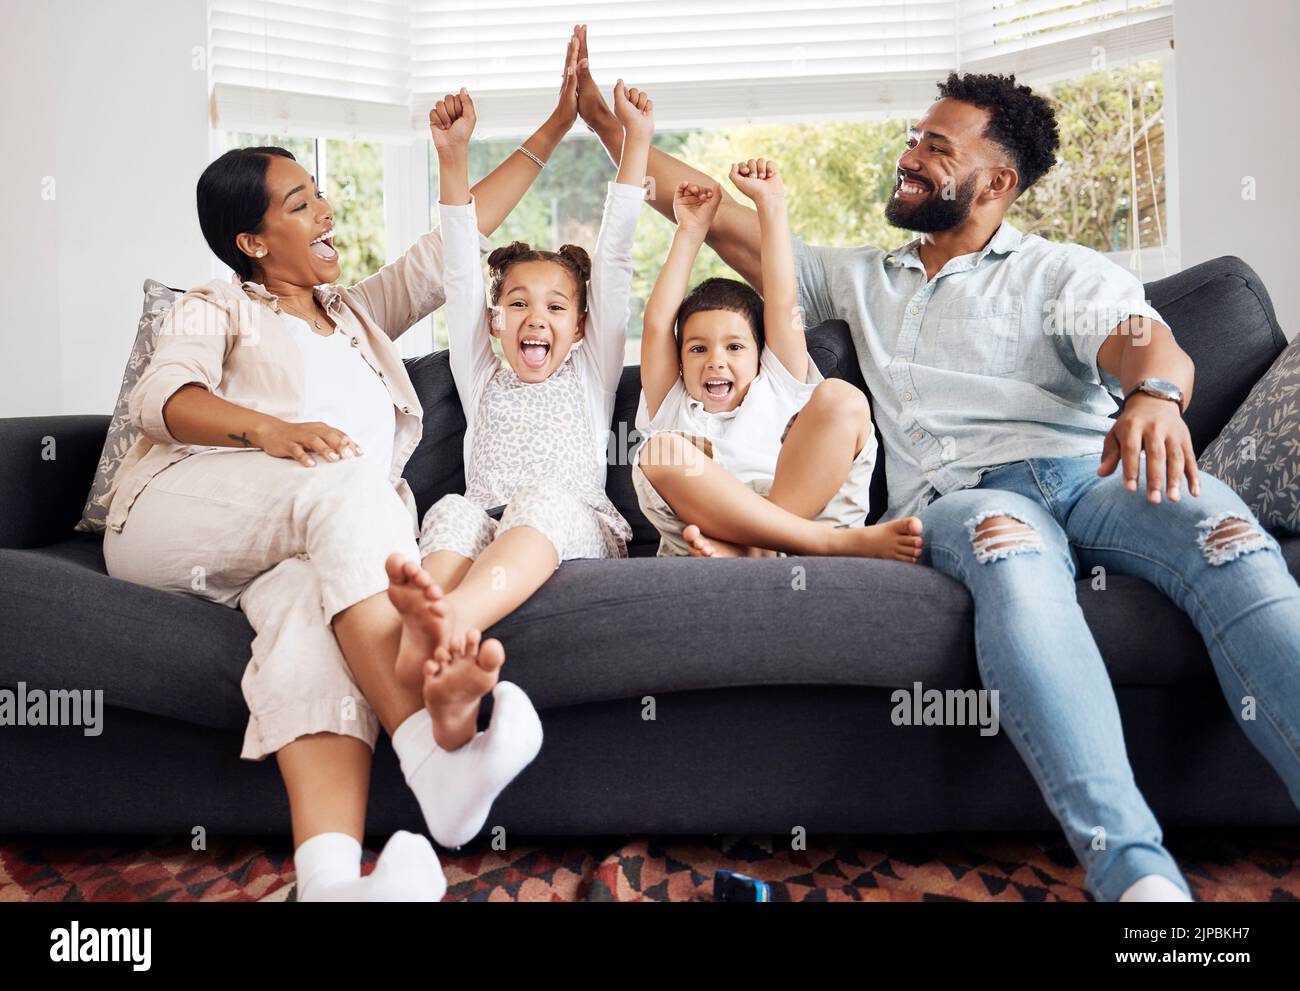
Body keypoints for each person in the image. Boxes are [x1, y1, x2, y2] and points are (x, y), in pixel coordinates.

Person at [573, 23, 1300, 902]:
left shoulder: (1057, 272)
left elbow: (1147, 343)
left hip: (1094, 475)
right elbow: (716, 215)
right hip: (970, 499)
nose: (908, 155)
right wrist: (610, 129)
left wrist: (1154, 397)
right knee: (1016, 567)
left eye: (934, 146)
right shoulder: (863, 277)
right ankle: (1137, 878)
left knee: (1230, 534)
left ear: (997, 182)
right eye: (913, 136)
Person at [101, 35, 588, 903]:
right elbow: (160, 398)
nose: (326, 207)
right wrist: (264, 429)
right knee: (348, 485)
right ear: (252, 240)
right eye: (301, 201)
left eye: (318, 191)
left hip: (298, 542)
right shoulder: (219, 305)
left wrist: (547, 130)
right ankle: (434, 760)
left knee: (311, 624)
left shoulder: (355, 313)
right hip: (175, 517)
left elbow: (453, 248)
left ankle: (328, 879)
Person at [381, 76, 654, 824]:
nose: (537, 318)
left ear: (580, 325)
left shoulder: (591, 374)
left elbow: (622, 257)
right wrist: (453, 157)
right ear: (496, 321)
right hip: (491, 522)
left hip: (571, 524)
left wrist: (636, 146)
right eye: (520, 304)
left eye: (557, 306)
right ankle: (426, 638)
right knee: (451, 513)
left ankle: (450, 624)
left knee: (532, 501)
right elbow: (461, 266)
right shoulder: (480, 376)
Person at [632, 158, 923, 561]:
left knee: (841, 398)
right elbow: (657, 323)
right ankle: (789, 545)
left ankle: (757, 547)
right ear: (679, 361)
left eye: (734, 347)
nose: (716, 361)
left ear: (761, 354)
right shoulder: (673, 404)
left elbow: (784, 297)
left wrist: (771, 204)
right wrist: (690, 230)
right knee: (658, 449)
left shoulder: (779, 380)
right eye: (698, 348)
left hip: (797, 510)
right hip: (712, 527)